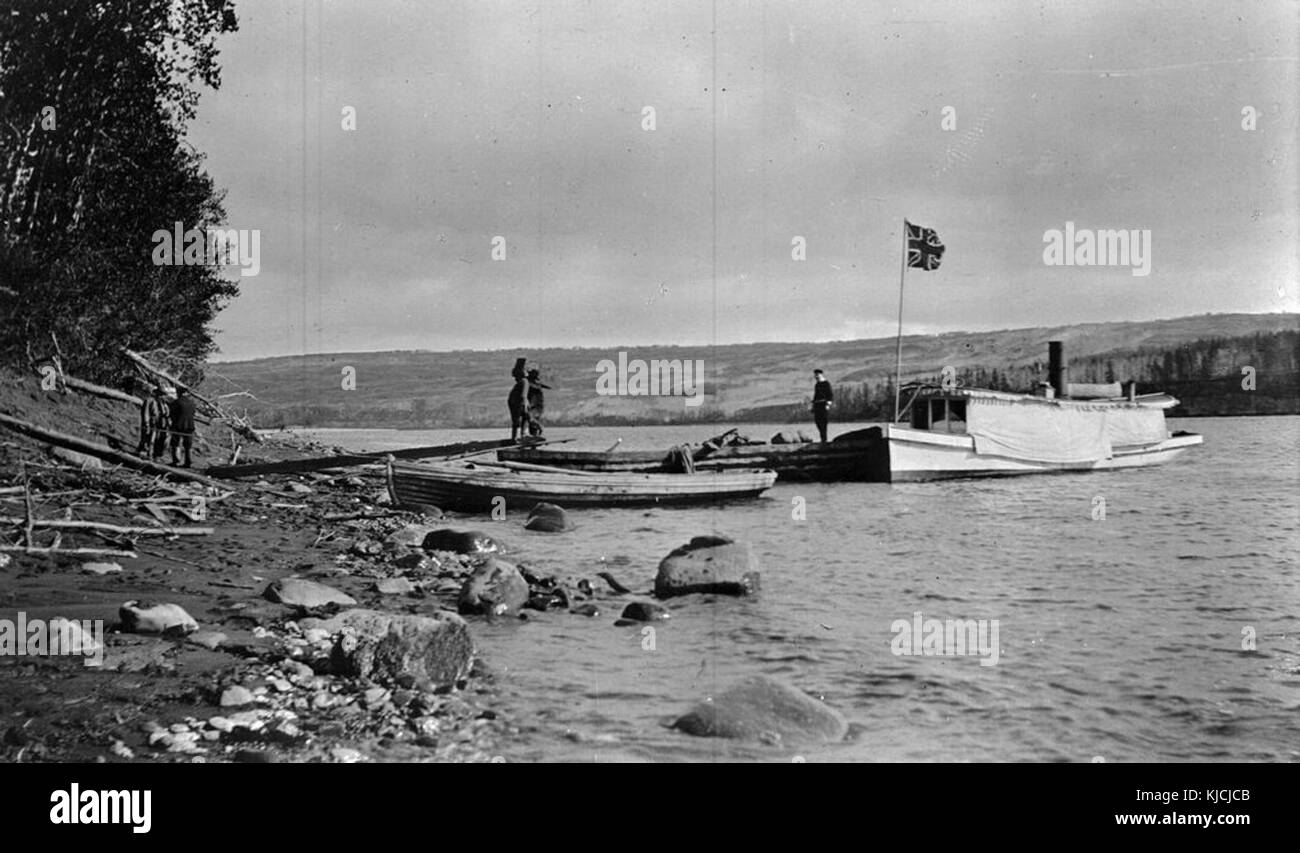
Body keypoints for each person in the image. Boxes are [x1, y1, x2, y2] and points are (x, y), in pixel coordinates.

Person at [137, 384, 170, 460]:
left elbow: (166, 414)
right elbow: (146, 413)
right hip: (151, 423)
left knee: (158, 440)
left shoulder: (163, 404)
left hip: (160, 424)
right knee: (147, 439)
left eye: (163, 395)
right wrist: (147, 423)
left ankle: (154, 455)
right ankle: (145, 454)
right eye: (161, 394)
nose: (162, 396)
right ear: (157, 393)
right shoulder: (149, 401)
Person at [167, 387, 198, 467]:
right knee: (188, 445)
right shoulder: (192, 403)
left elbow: (171, 414)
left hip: (178, 425)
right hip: (190, 426)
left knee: (175, 443)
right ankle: (188, 462)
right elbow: (193, 413)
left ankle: (176, 461)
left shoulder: (176, 402)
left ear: (179, 393)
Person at [508, 358, 531, 441]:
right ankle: (523, 435)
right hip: (517, 402)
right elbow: (523, 395)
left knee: (517, 420)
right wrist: (525, 404)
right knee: (525, 417)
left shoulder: (520, 383)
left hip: (513, 401)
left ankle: (515, 437)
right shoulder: (524, 382)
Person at [525, 368, 550, 437]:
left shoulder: (531, 383)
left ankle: (536, 433)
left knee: (533, 419)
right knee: (532, 419)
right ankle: (535, 434)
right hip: (535, 403)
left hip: (536, 404)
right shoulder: (534, 383)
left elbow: (534, 386)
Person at [811, 369, 833, 442]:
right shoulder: (817, 385)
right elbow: (816, 395)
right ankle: (822, 437)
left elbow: (830, 394)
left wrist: (828, 404)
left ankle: (824, 439)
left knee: (823, 422)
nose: (816, 377)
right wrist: (813, 406)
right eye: (815, 375)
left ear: (821, 375)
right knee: (817, 421)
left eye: (817, 375)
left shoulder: (826, 384)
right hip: (817, 405)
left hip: (823, 404)